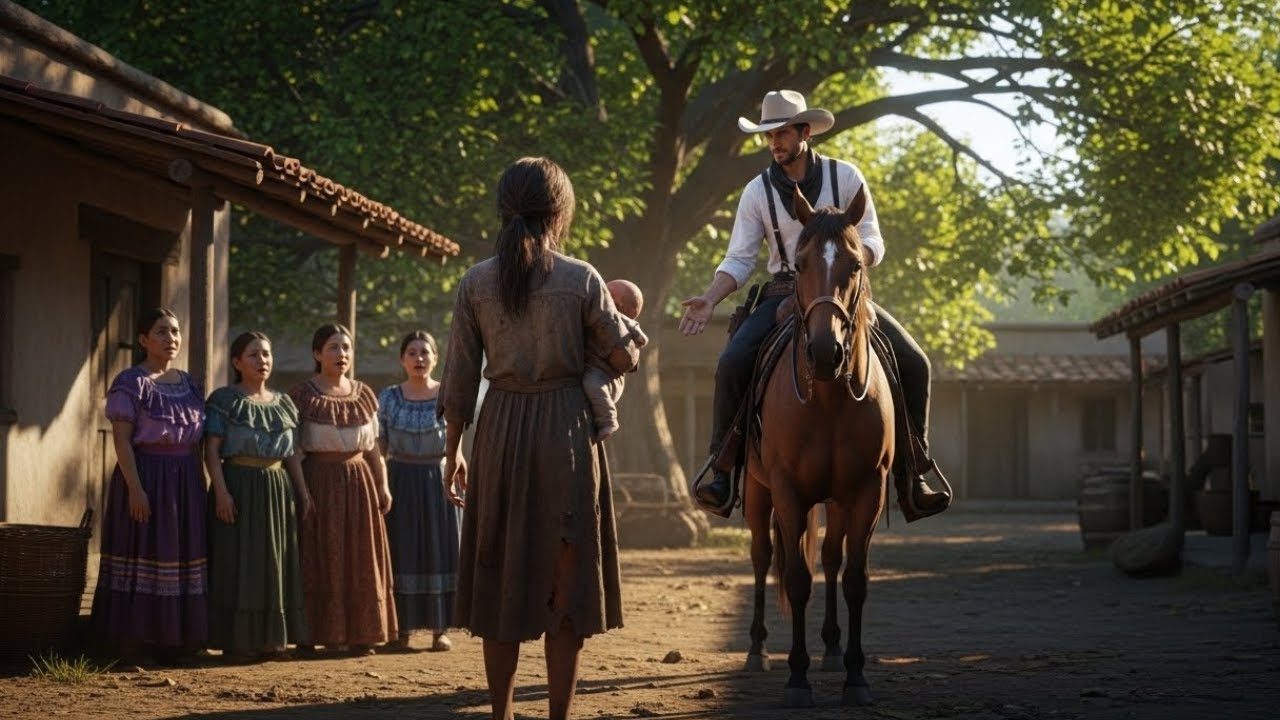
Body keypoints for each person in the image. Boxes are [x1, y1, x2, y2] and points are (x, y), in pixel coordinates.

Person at [679, 89, 952, 522]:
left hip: (844, 292)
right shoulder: (756, 192)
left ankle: (913, 472)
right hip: (783, 292)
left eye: (782, 133)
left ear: (805, 132)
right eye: (768, 135)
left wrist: (847, 261)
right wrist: (710, 299)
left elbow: (874, 237)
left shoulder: (846, 177)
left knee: (916, 363)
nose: (774, 143)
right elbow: (740, 258)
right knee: (732, 361)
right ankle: (723, 468)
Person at [438, 157, 642, 720]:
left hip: (499, 430)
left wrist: (453, 452)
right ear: (559, 211)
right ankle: (557, 716)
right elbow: (622, 356)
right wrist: (623, 339)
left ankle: (500, 713)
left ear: (504, 208)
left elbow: (458, 379)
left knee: (497, 572)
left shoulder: (475, 281)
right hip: (566, 431)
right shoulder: (582, 277)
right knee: (566, 581)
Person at [91, 308, 208, 664]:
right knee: (144, 552)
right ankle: (133, 642)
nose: (170, 338)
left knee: (179, 554)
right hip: (146, 475)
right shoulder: (131, 383)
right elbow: (123, 441)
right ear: (143, 340)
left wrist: (199, 485)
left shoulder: (190, 385)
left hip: (184, 480)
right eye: (161, 332)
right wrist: (135, 489)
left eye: (174, 331)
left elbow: (199, 441)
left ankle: (175, 641)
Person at [289, 323, 397, 654]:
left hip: (359, 481)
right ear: (316, 353)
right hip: (318, 479)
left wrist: (383, 484)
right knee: (320, 554)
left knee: (359, 554)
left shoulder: (364, 394)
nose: (342, 354)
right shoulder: (303, 395)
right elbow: (292, 448)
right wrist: (301, 490)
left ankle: (360, 634)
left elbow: (374, 446)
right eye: (333, 348)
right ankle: (316, 634)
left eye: (346, 348)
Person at [204, 331, 311, 661]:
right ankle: (237, 642)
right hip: (238, 485)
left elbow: (292, 453)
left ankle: (272, 640)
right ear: (237, 362)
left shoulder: (284, 403)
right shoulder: (224, 400)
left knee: (275, 564)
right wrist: (221, 492)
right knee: (237, 563)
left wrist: (303, 493)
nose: (262, 360)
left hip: (276, 490)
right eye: (253, 355)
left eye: (266, 354)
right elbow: (211, 450)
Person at [377, 330, 460, 653]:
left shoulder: (448, 394)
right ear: (402, 359)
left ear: (436, 358)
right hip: (400, 479)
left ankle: (440, 629)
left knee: (440, 548)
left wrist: (456, 470)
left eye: (425, 352)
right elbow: (380, 443)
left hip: (438, 478)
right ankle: (403, 629)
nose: (419, 359)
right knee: (404, 548)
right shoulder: (387, 397)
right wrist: (380, 481)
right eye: (412, 353)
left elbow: (459, 438)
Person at [582, 279, 648, 440]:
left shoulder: (618, 318)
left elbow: (640, 336)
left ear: (620, 306)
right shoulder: (592, 313)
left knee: (591, 383)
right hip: (591, 365)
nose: (602, 295)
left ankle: (608, 419)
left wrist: (638, 338)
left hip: (604, 375)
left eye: (609, 295)